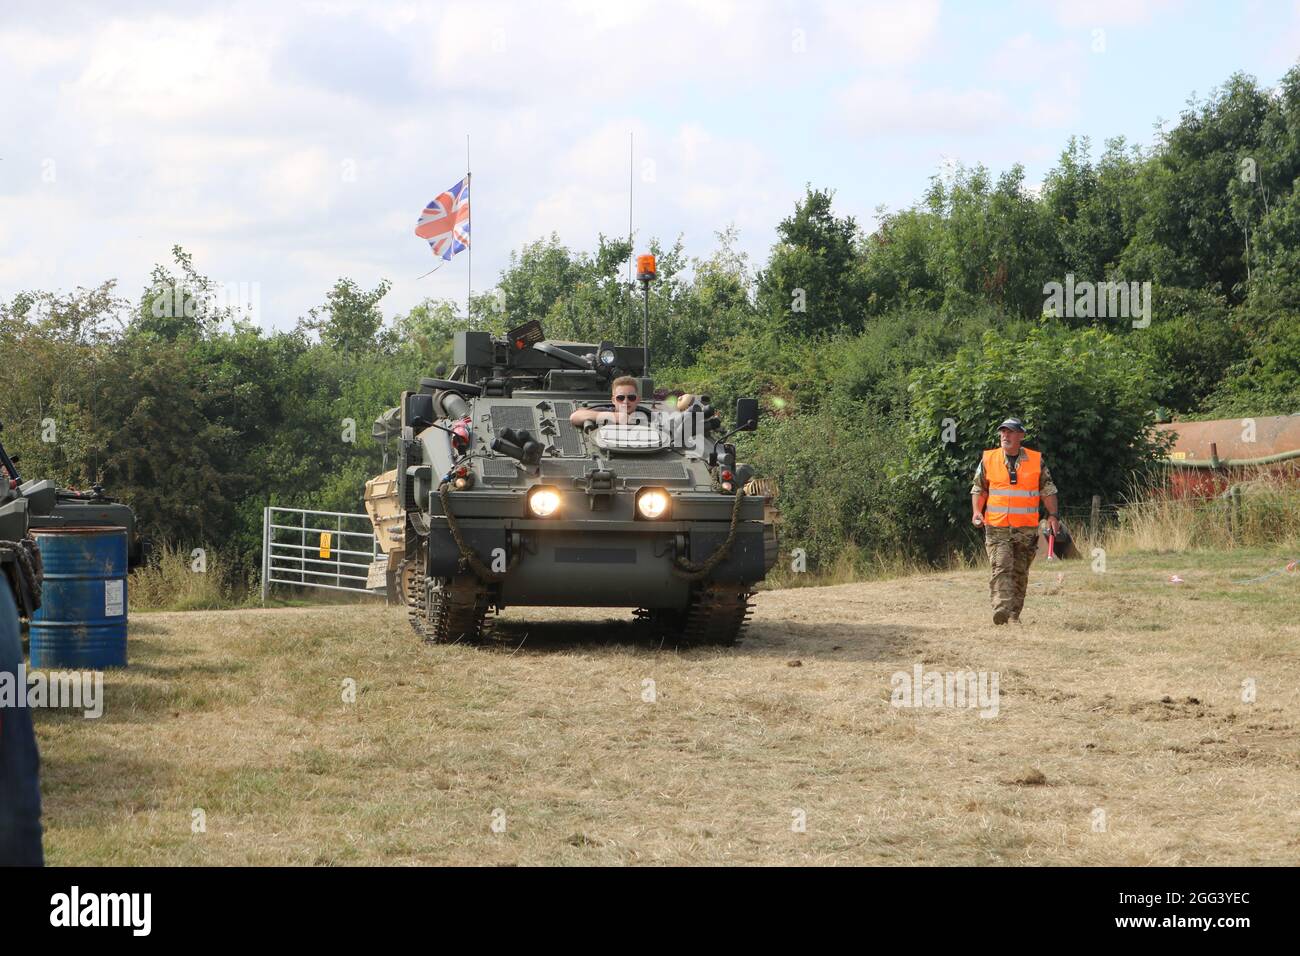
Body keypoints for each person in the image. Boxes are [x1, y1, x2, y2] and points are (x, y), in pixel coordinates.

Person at [970, 418, 1060, 626]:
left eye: (1010, 432)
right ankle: (1001, 608)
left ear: (1021, 436)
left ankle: (1013, 615)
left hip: (1026, 528)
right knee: (1001, 565)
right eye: (1002, 432)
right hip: (996, 526)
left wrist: (1053, 515)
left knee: (1020, 572)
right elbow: (979, 489)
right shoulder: (988, 459)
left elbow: (1047, 490)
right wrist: (977, 512)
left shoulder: (1036, 461)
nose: (1005, 436)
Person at [568, 376, 649, 428]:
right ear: (613, 400)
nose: (626, 401)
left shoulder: (647, 416)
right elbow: (575, 417)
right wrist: (613, 416)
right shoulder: (607, 411)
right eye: (620, 398)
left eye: (631, 397)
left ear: (638, 399)